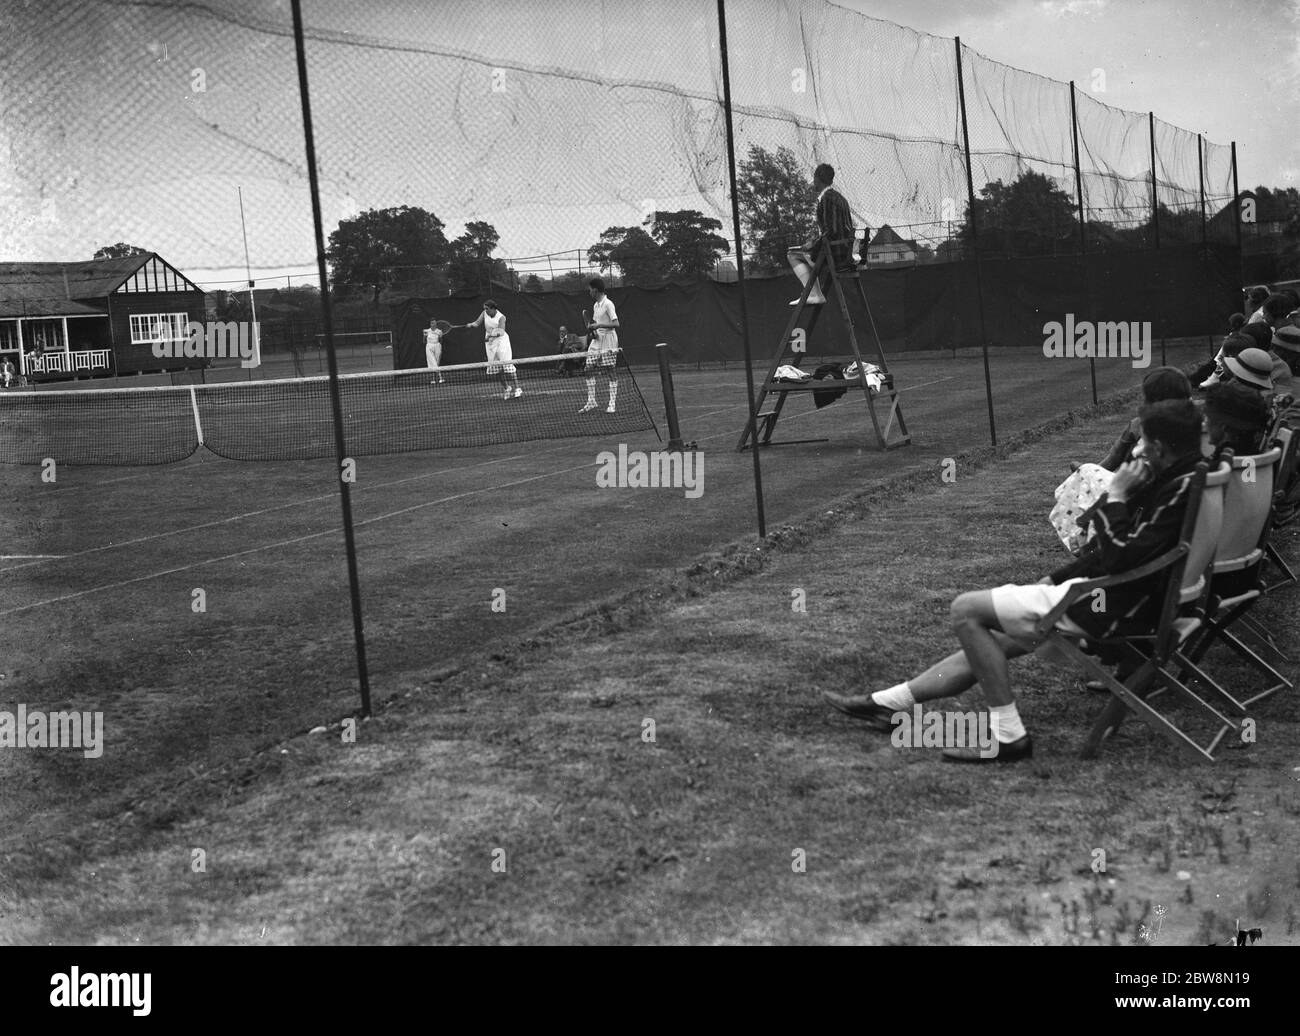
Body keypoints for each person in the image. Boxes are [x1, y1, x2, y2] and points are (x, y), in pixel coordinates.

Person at [824, 399, 1206, 763]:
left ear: (1155, 448)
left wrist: (1117, 496)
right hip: (1137, 598)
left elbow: (1120, 555)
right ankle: (891, 703)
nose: (1135, 449)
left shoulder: (1176, 489)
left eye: (1141, 441)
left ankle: (1009, 737)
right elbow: (1116, 555)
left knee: (966, 611)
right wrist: (1054, 578)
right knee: (997, 638)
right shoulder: (1191, 478)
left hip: (1121, 608)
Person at [786, 163, 856, 306]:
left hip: (834, 254)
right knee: (804, 252)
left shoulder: (826, 199)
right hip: (844, 251)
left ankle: (814, 294)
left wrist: (812, 245)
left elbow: (831, 231)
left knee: (791, 255)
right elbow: (837, 229)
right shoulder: (841, 199)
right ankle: (815, 294)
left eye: (814, 179)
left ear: (817, 179)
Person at [455, 300, 521, 399]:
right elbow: (477, 323)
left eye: (487, 308)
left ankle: (517, 388)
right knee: (496, 367)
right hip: (490, 343)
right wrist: (471, 324)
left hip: (501, 342)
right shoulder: (484, 313)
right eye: (484, 308)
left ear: (493, 308)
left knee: (507, 365)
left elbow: (502, 331)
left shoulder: (501, 317)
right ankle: (507, 388)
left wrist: (491, 335)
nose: (485, 310)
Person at [581, 277, 619, 414]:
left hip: (609, 339)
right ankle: (592, 401)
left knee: (610, 370)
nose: (589, 292)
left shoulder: (608, 304)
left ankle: (612, 404)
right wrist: (594, 332)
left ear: (595, 290)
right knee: (588, 368)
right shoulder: (595, 305)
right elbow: (596, 327)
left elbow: (616, 324)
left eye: (590, 290)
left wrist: (599, 325)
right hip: (597, 340)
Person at [423, 318, 448, 385]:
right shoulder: (426, 331)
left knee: (437, 363)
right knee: (432, 363)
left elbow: (441, 340)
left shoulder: (439, 331)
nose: (434, 324)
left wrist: (438, 342)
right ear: (430, 324)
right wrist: (426, 339)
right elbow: (424, 341)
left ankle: (437, 379)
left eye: (435, 323)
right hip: (429, 347)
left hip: (437, 346)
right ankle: (437, 378)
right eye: (432, 323)